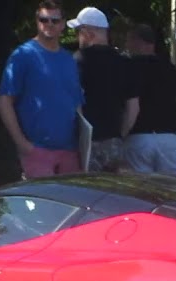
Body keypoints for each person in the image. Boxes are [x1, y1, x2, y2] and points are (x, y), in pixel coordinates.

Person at [0, 0, 83, 178]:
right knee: (44, 205)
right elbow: (5, 100)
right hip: (37, 151)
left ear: (63, 25)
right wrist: (22, 143)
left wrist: (81, 144)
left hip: (70, 152)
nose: (49, 24)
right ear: (37, 22)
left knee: (71, 205)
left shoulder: (69, 59)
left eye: (55, 20)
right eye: (44, 20)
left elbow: (77, 105)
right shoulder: (23, 55)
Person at [69, 6, 137, 172]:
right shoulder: (124, 63)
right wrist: (120, 134)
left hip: (88, 141)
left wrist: (82, 136)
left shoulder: (78, 60)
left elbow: (75, 102)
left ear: (89, 33)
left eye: (79, 31)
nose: (78, 36)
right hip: (114, 140)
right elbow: (134, 107)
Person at [122, 23, 176, 175]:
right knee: (173, 189)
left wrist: (122, 132)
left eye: (129, 40)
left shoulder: (129, 67)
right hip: (168, 136)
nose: (127, 45)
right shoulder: (169, 68)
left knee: (141, 191)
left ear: (138, 41)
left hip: (139, 135)